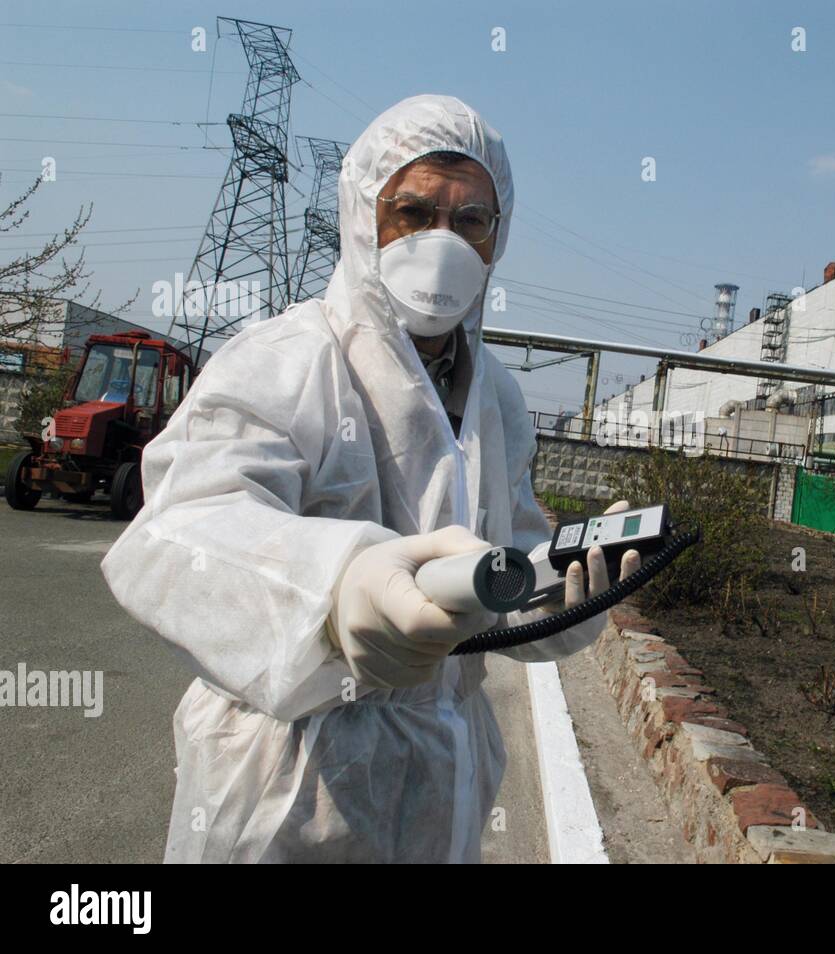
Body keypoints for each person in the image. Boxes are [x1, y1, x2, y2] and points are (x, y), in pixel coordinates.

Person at [101, 94, 639, 863]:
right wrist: (333, 593)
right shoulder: (284, 360)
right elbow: (179, 530)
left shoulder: (498, 397)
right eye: (414, 212)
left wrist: (558, 590)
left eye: (469, 221)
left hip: (442, 789)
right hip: (289, 794)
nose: (441, 241)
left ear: (499, 236)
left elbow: (506, 552)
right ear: (364, 218)